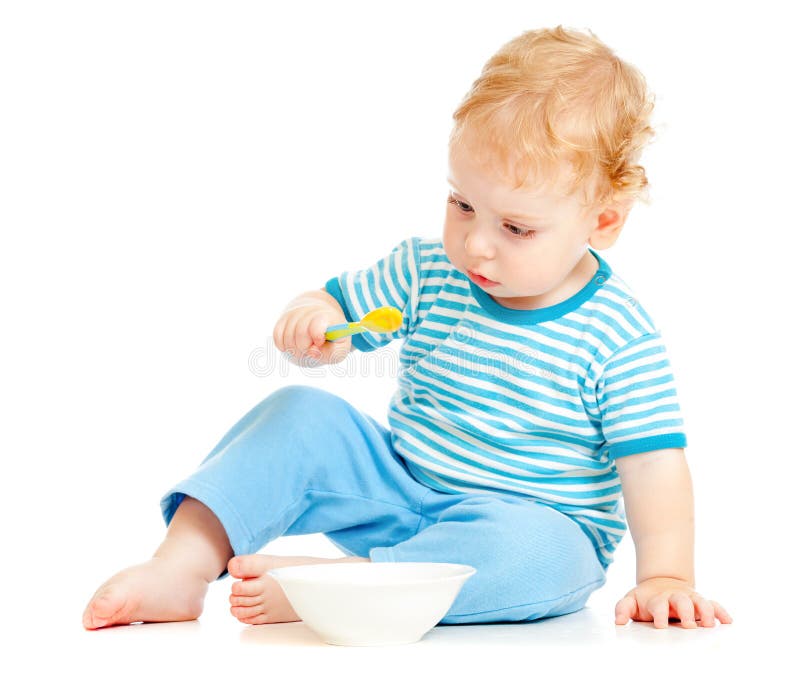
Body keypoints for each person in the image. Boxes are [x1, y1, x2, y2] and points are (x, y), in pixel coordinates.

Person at [83, 25, 732, 631]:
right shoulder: (428, 271)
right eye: (462, 203)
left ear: (604, 222)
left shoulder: (617, 336)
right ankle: (180, 566)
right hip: (398, 488)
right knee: (299, 414)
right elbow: (338, 307)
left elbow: (654, 466)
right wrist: (319, 320)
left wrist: (666, 576)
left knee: (546, 552)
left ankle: (346, 587)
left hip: (519, 527)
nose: (475, 244)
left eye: (516, 227)